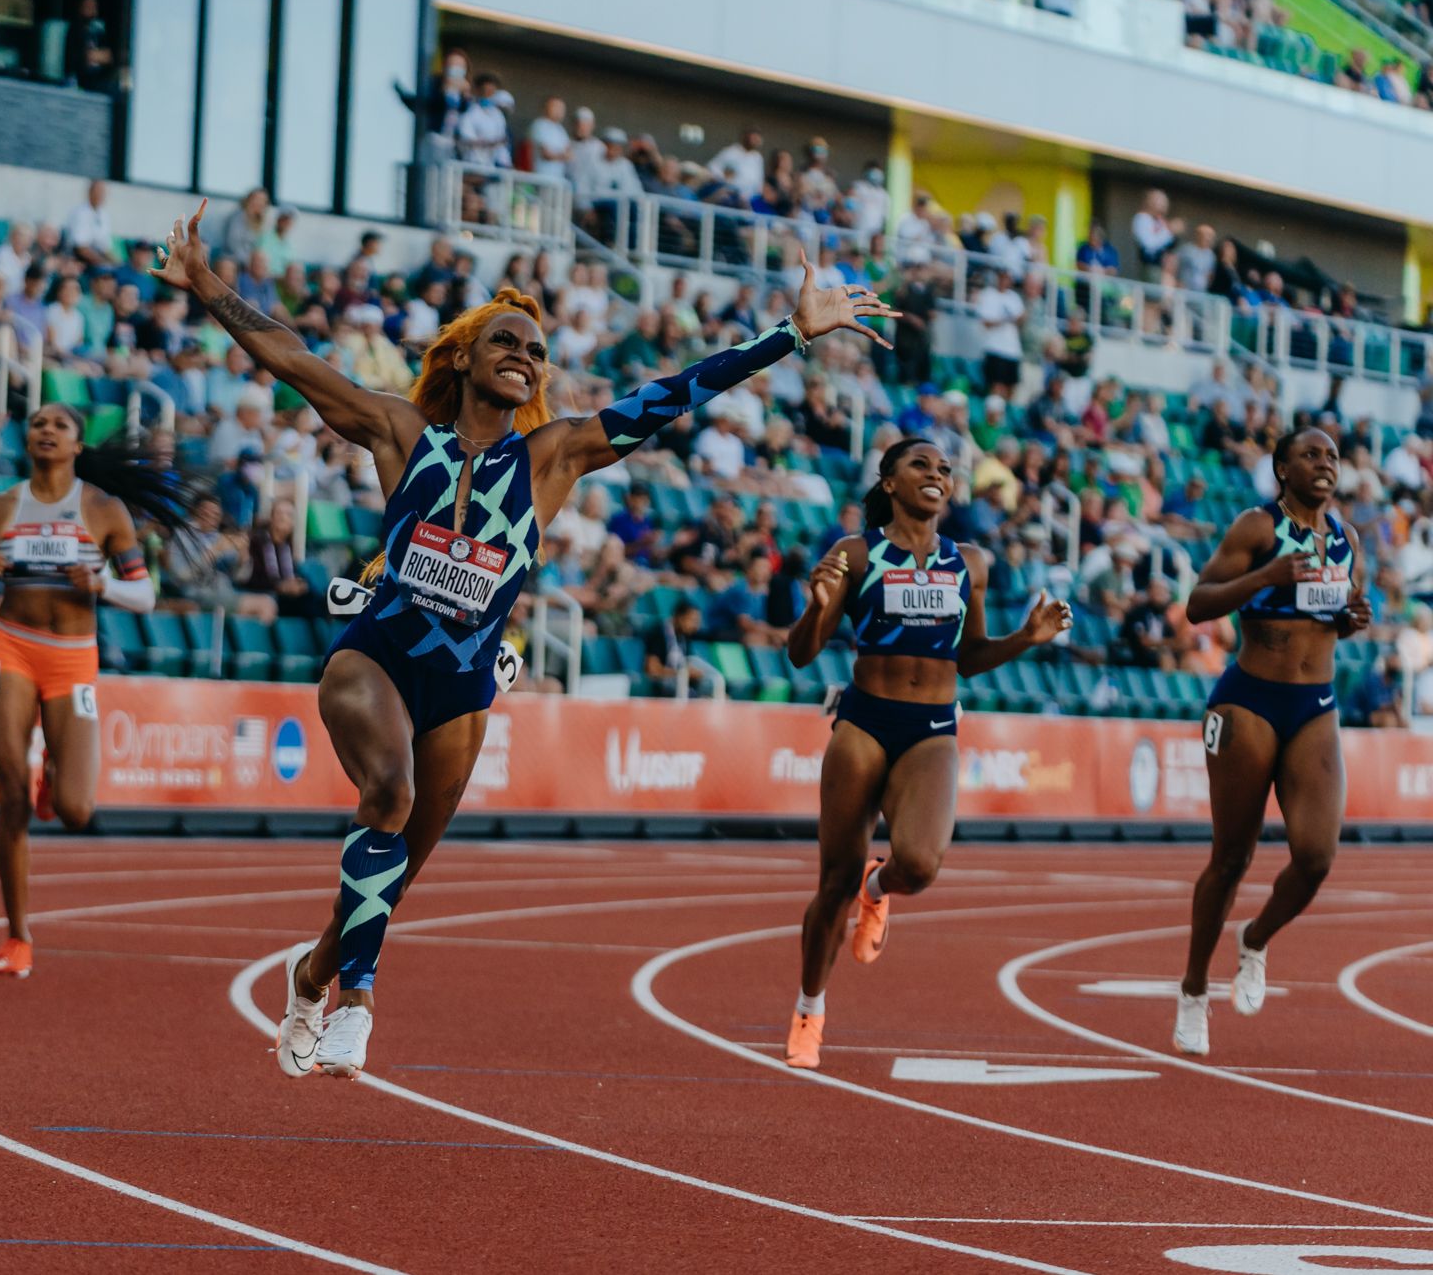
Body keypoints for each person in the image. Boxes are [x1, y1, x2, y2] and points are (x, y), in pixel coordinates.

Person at [156, 198, 895, 1078]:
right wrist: (204, 281)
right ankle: (357, 1001)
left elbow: (674, 394)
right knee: (387, 793)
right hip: (374, 655)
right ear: (464, 356)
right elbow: (293, 358)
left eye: (537, 351)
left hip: (464, 687)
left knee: (392, 877)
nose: (524, 356)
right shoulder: (401, 432)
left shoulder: (553, 457)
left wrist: (791, 334)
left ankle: (312, 973)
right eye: (505, 341)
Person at [781, 437, 1073, 1069]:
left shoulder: (970, 562)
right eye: (921, 464)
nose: (937, 473)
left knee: (918, 865)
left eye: (944, 468)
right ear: (889, 482)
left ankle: (879, 886)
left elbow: (969, 658)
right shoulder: (856, 554)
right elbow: (801, 654)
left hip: (931, 726)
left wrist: (1026, 638)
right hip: (865, 721)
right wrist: (816, 610)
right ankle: (809, 1009)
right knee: (832, 885)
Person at [0, 413, 178, 977]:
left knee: (75, 810)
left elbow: (144, 595)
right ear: (27, 440)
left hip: (72, 660)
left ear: (77, 443)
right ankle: (17, 933)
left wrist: (102, 583)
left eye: (60, 425)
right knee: (11, 796)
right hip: (12, 649)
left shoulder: (103, 509)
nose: (47, 430)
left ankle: (54, 767)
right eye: (38, 423)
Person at [1172, 427, 1367, 1057]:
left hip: (1315, 706)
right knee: (1232, 857)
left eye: (1332, 456)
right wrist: (1267, 575)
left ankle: (1254, 939)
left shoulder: (1346, 537)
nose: (1325, 463)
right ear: (1282, 468)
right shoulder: (1258, 527)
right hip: (1249, 699)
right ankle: (1194, 988)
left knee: (1316, 857)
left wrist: (1351, 620)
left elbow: (1337, 614)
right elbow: (1198, 604)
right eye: (1310, 454)